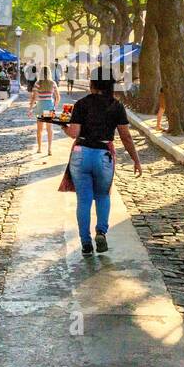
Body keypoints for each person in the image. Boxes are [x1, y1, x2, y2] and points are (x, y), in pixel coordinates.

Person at [63, 74, 142, 255]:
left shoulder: (81, 103)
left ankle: (85, 242)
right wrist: (136, 160)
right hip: (104, 155)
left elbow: (74, 132)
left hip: (81, 154)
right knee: (102, 196)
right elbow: (126, 136)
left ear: (92, 84)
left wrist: (63, 126)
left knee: (83, 200)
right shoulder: (116, 106)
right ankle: (101, 232)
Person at [30, 68, 60, 155]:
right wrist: (54, 106)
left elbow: (34, 97)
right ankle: (49, 149)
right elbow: (57, 97)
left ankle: (39, 148)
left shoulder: (37, 83)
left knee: (39, 129)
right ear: (50, 73)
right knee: (49, 129)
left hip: (40, 108)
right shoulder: (52, 83)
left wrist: (31, 108)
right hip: (49, 107)